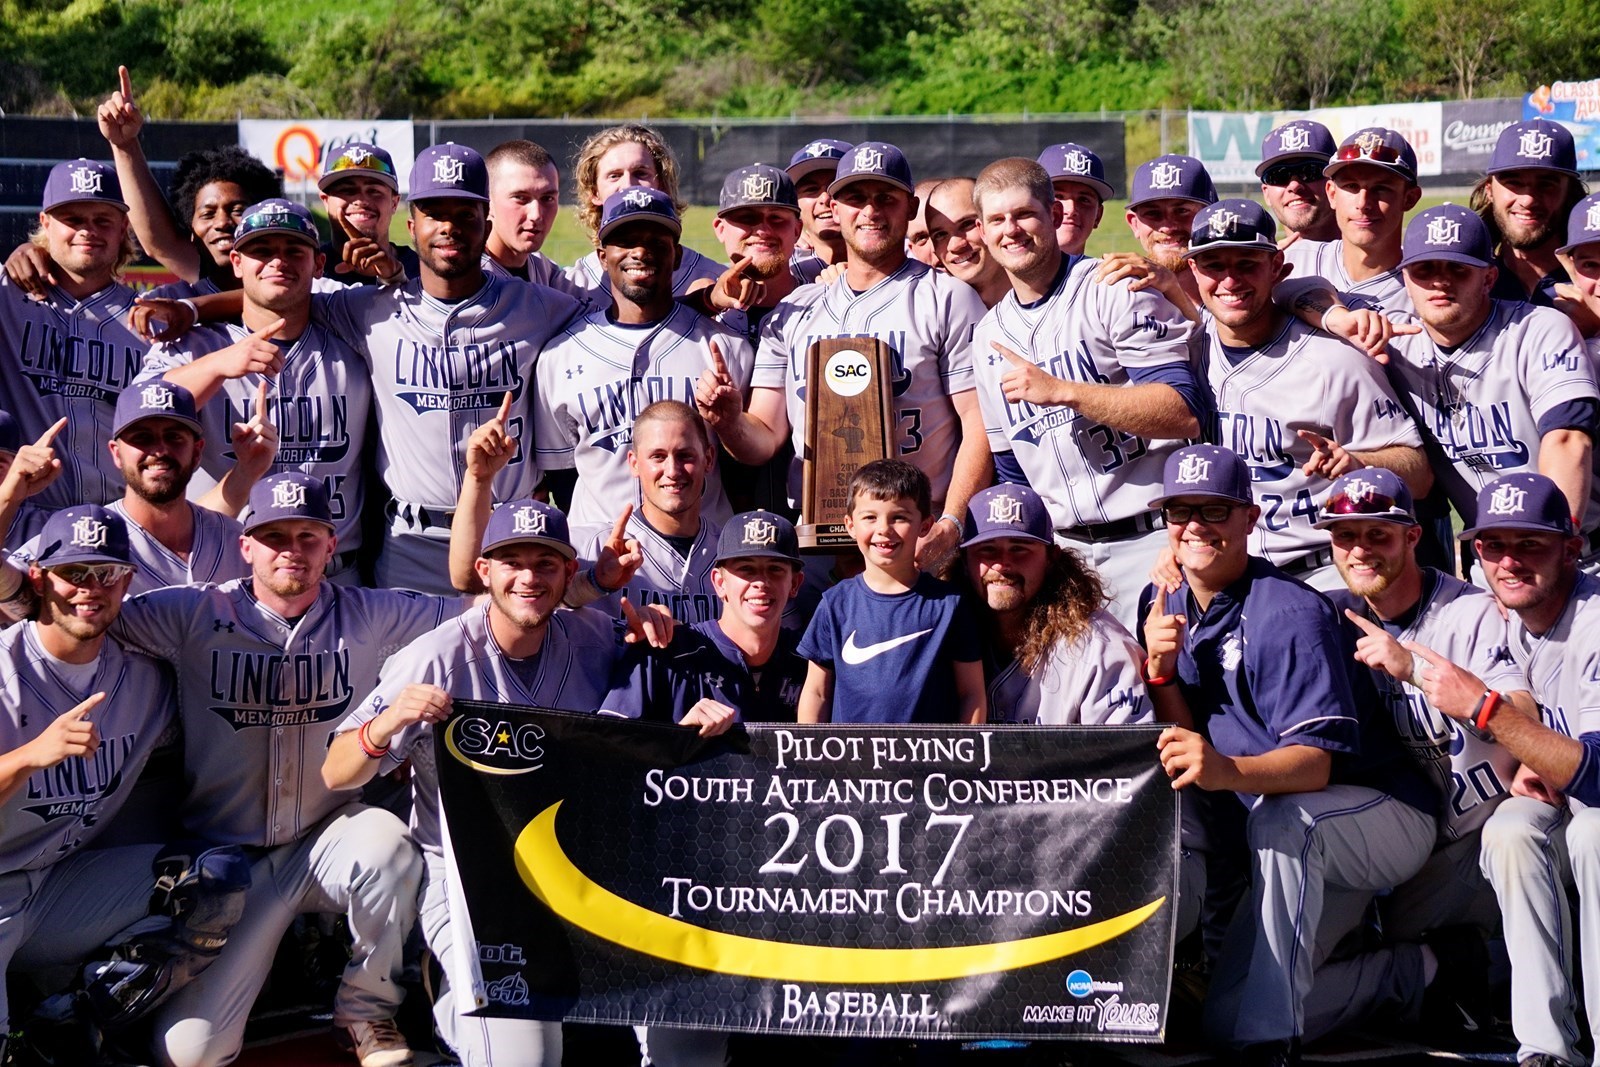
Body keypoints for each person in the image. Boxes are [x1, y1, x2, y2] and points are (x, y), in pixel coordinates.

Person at [106, 472, 464, 1067]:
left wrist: (593, 589)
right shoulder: (194, 611)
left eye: (307, 536)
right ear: (246, 545)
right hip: (229, 867)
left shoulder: (371, 613)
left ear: (331, 545)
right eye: (275, 536)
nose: (291, 551)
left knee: (389, 846)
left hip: (326, 841)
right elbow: (86, 612)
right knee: (191, 1053)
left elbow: (484, 613)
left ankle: (366, 1008)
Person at [323, 498, 669, 1067]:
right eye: (512, 562)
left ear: (569, 573)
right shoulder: (436, 655)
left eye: (545, 563)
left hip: (570, 874)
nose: (529, 577)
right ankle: (453, 997)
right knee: (527, 1058)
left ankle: (458, 1003)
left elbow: (653, 673)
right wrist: (385, 725)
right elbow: (336, 771)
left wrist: (655, 627)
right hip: (466, 883)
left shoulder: (594, 637)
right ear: (484, 570)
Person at [1139, 445, 1438, 1066]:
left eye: (1214, 510)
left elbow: (1314, 766)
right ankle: (1418, 970)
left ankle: (1274, 1045)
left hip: (1378, 814)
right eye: (1180, 510)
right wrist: (1161, 674)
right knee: (1226, 1019)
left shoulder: (1289, 610)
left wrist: (1226, 771)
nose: (1195, 525)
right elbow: (1187, 750)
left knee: (1282, 820)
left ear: (1250, 518)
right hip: (1290, 840)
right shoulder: (1161, 603)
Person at [1300, 468, 1524, 1040]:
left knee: (1459, 957)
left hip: (1471, 839)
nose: (1361, 549)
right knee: (1291, 1000)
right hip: (1391, 837)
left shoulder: (1474, 611)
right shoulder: (1328, 612)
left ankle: (1488, 976)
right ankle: (1423, 978)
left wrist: (1415, 670)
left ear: (1413, 536)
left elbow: (1524, 715)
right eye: (1346, 535)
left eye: (1379, 533)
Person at [699, 142, 991, 570]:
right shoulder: (795, 311)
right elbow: (763, 438)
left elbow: (979, 423)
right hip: (816, 535)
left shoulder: (948, 298)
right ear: (834, 209)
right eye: (855, 197)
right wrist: (728, 421)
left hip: (917, 535)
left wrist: (951, 523)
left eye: (885, 198)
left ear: (910, 208)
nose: (870, 211)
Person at [310, 142, 582, 592]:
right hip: (409, 544)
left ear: (486, 224)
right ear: (412, 226)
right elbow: (279, 300)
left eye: (464, 214)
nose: (449, 227)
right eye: (435, 213)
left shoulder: (542, 307)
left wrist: (702, 301)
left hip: (508, 537)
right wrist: (194, 309)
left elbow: (622, 320)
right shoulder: (369, 309)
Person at [1394, 473, 1600, 1067]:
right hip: (1566, 799)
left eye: (1530, 544)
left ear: (1571, 547)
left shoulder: (1592, 621)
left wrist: (1487, 712)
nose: (1509, 562)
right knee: (1510, 829)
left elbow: (1597, 775)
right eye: (1493, 546)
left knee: (1592, 834)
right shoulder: (1501, 615)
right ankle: (1545, 1047)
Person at [968, 156, 1202, 627]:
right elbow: (1011, 468)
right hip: (1063, 554)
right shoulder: (987, 334)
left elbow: (1183, 412)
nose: (1011, 230)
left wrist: (1064, 391)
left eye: (1024, 214)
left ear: (1054, 215)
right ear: (982, 231)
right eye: (997, 220)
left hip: (1150, 540)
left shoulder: (1112, 286)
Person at [0, 505, 185, 1058]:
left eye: (106, 573)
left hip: (58, 887)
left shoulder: (144, 680)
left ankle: (67, 1027)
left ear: (127, 581)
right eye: (74, 572)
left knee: (208, 878)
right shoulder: (5, 670)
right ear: (39, 578)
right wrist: (27, 757)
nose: (90, 588)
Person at [1184, 198, 1429, 589]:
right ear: (1194, 269)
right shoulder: (1190, 348)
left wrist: (1359, 462)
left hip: (1323, 572)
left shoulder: (1335, 362)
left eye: (1247, 263)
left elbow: (1418, 474)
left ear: (1276, 267)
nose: (1230, 281)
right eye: (1214, 265)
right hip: (1226, 575)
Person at [139, 198, 375, 579]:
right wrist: (218, 364)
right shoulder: (195, 346)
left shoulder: (355, 338)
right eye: (261, 250)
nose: (278, 261)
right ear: (237, 263)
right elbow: (139, 410)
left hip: (335, 571)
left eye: (293, 250)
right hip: (227, 569)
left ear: (318, 265)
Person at [1379, 204, 1600, 568]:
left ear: (1489, 278)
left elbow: (1568, 441)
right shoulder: (1394, 344)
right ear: (1405, 279)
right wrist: (1334, 315)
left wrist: (1555, 542)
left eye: (1458, 268)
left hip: (1577, 556)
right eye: (1425, 269)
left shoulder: (1537, 329)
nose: (1440, 281)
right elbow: (1300, 292)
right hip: (1490, 564)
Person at [533, 187, 754, 531]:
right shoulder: (559, 356)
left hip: (703, 551)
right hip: (598, 550)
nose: (640, 252)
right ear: (602, 256)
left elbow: (743, 470)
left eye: (655, 241)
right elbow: (562, 476)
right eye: (625, 241)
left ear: (676, 255)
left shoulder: (726, 349)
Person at [7, 382, 269, 594]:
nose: (159, 450)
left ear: (197, 451)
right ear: (116, 453)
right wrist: (8, 497)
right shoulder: (81, 535)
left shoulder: (238, 542)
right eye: (142, 438)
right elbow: (6, 598)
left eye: (174, 437)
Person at [0, 158, 145, 512]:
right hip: (20, 515)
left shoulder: (148, 319)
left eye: (102, 220)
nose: (87, 230)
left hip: (118, 520)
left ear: (123, 227)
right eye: (73, 219)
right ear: (45, 223)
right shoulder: (7, 296)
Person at [796, 459, 985, 725]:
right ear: (850, 525)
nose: (884, 529)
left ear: (925, 526)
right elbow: (816, 693)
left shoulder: (949, 604)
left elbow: (971, 694)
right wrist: (811, 749)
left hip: (930, 753)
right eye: (870, 517)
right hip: (851, 753)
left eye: (899, 517)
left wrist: (965, 748)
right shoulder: (834, 603)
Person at [565, 124, 723, 303]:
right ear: (594, 192)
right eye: (614, 176)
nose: (628, 185)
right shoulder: (575, 286)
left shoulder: (712, 279)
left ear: (662, 184)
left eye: (641, 173)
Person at [1281, 127, 1423, 315]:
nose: (1363, 203)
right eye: (1351, 186)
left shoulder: (1425, 288)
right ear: (1332, 194)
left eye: (1381, 188)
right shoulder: (1294, 260)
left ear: (1410, 198)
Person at [1474, 118, 1589, 307]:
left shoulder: (1592, 284)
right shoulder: (1471, 283)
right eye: (1514, 183)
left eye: (1546, 184)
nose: (1528, 200)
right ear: (1489, 191)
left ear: (1570, 193)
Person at [1102, 153, 1218, 312]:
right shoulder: (1118, 299)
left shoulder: (1236, 292)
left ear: (1211, 217)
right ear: (1134, 224)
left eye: (1182, 211)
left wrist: (1173, 288)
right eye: (1152, 213)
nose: (1167, 227)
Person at [480, 139, 585, 296]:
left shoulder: (547, 274)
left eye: (547, 198)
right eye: (520, 198)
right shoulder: (465, 281)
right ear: (488, 201)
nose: (536, 215)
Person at [316, 142, 417, 287]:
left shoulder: (423, 271)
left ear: (394, 203)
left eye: (374, 191)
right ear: (326, 201)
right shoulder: (307, 269)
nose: (361, 201)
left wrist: (395, 278)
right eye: (347, 190)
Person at [924, 177, 1010, 308]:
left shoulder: (1042, 300)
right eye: (940, 235)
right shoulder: (929, 314)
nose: (956, 245)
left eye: (967, 224)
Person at [1256, 120, 1338, 245]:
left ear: (1335, 184)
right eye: (1279, 175)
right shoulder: (1264, 258)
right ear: (1266, 193)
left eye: (1310, 171)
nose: (1294, 186)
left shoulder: (1368, 254)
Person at [785, 138, 851, 285]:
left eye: (834, 187)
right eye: (811, 189)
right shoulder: (782, 267)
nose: (825, 198)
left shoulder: (897, 257)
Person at [1035, 142, 1112, 257]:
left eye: (1084, 200)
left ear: (1098, 216)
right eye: (1057, 196)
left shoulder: (1110, 269)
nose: (1071, 210)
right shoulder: (1007, 267)